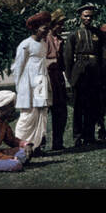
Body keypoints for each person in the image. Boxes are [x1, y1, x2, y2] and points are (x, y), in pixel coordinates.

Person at [63, 3, 105, 149]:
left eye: (90, 16)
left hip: (94, 71)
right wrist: (70, 78)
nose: (88, 18)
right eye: (86, 16)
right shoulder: (74, 35)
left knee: (92, 105)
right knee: (79, 106)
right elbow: (68, 58)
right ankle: (77, 137)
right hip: (80, 71)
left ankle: (90, 135)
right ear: (80, 16)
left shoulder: (97, 33)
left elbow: (101, 54)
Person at [12, 11, 51, 150]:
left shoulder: (43, 44)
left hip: (41, 82)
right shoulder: (25, 45)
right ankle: (21, 145)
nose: (47, 32)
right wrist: (21, 88)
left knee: (41, 113)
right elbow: (18, 68)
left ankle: (36, 145)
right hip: (28, 85)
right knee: (28, 115)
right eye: (44, 29)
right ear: (36, 28)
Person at [45, 9, 69, 152]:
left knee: (60, 111)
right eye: (59, 24)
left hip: (58, 77)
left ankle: (57, 142)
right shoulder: (44, 38)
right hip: (46, 77)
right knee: (44, 111)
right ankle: (39, 144)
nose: (61, 27)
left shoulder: (60, 40)